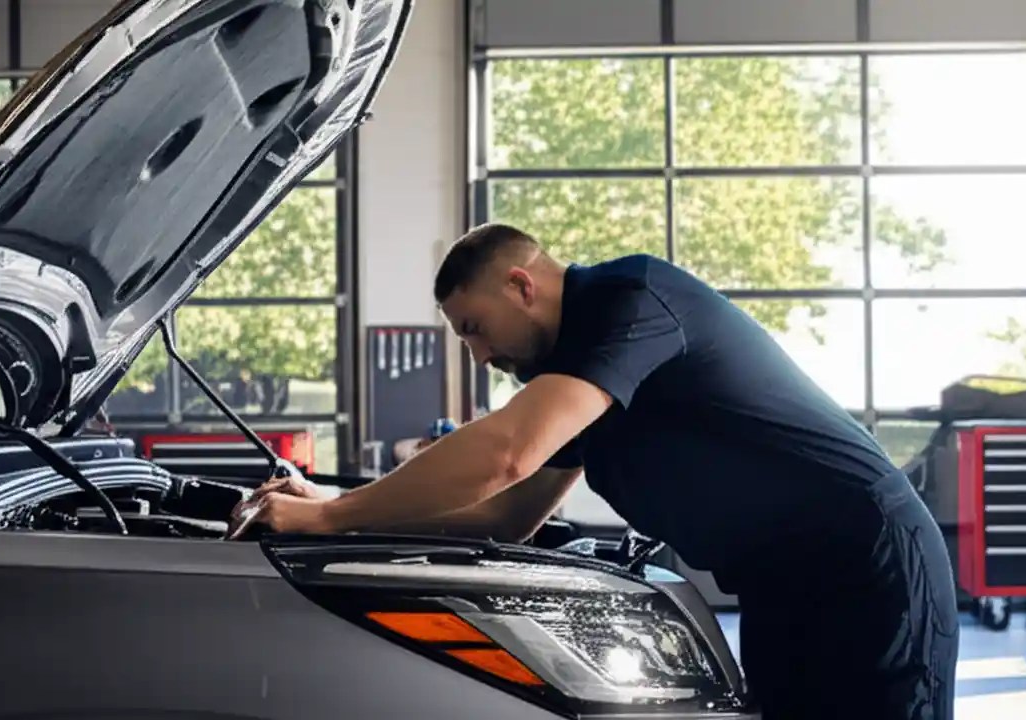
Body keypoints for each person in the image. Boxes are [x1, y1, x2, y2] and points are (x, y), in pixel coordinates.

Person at [232, 223, 958, 718]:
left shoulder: (632, 301)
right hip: (781, 588)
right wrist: (336, 502)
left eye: (473, 330)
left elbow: (504, 455)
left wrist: (329, 516)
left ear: (520, 284)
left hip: (867, 568)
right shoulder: (575, 376)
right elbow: (506, 515)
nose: (478, 357)